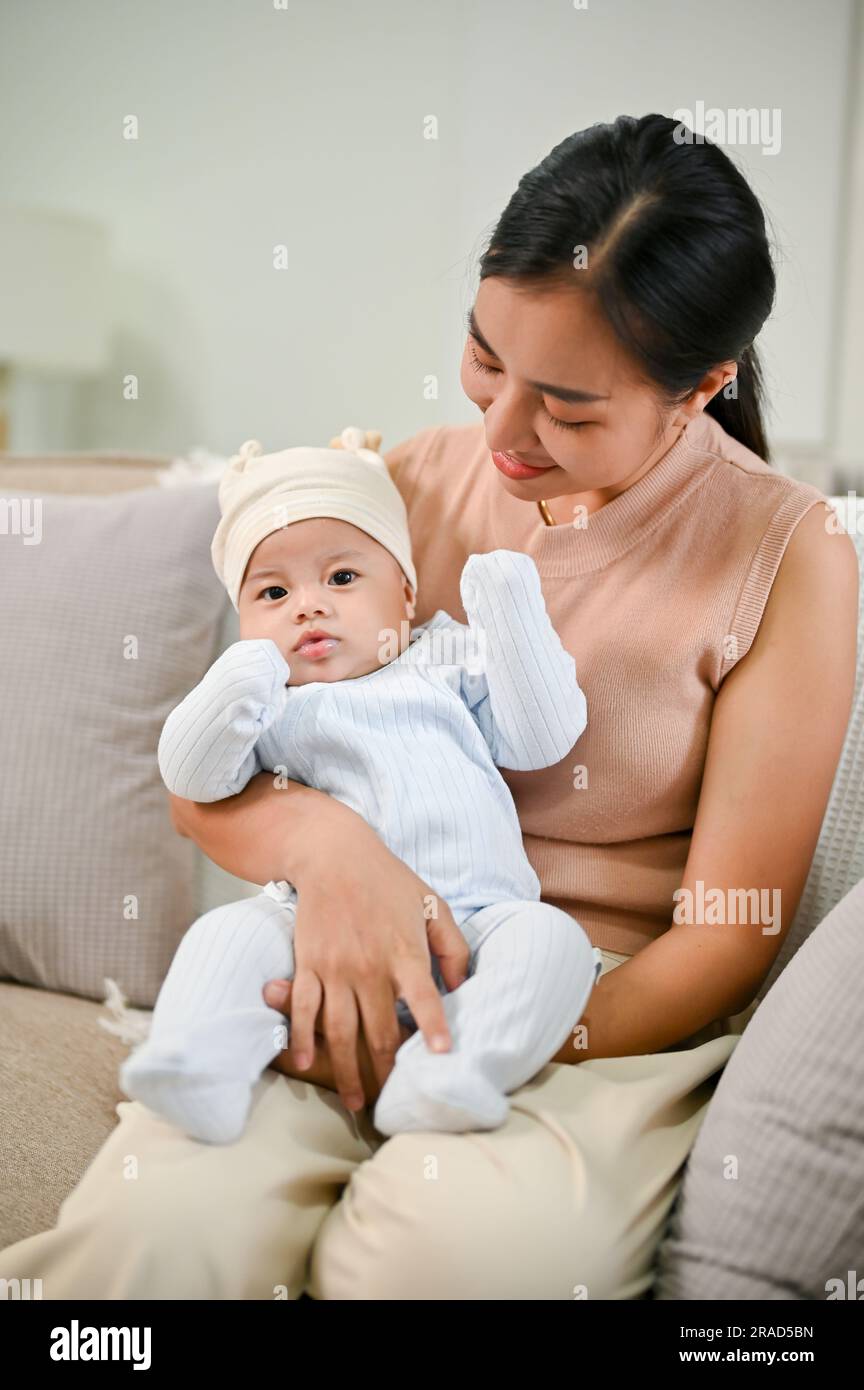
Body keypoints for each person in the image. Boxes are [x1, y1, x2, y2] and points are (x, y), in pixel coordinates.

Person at [0, 112, 857, 1300]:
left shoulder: (791, 552)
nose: (499, 432)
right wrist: (328, 847)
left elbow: (727, 926)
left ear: (701, 387)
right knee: (156, 1242)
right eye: (484, 357)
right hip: (335, 947)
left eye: (565, 406)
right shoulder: (396, 486)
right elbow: (212, 773)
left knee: (455, 1260)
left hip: (586, 1006)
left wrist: (476, 1027)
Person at [120, 430, 600, 1143]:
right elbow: (193, 777)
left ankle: (448, 1074)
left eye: (342, 579)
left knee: (552, 941)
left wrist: (508, 607)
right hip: (317, 934)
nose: (308, 606)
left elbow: (541, 738)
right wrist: (239, 674)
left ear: (405, 592)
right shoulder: (267, 698)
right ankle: (196, 1069)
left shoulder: (444, 656)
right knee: (229, 935)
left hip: (475, 926)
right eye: (274, 592)